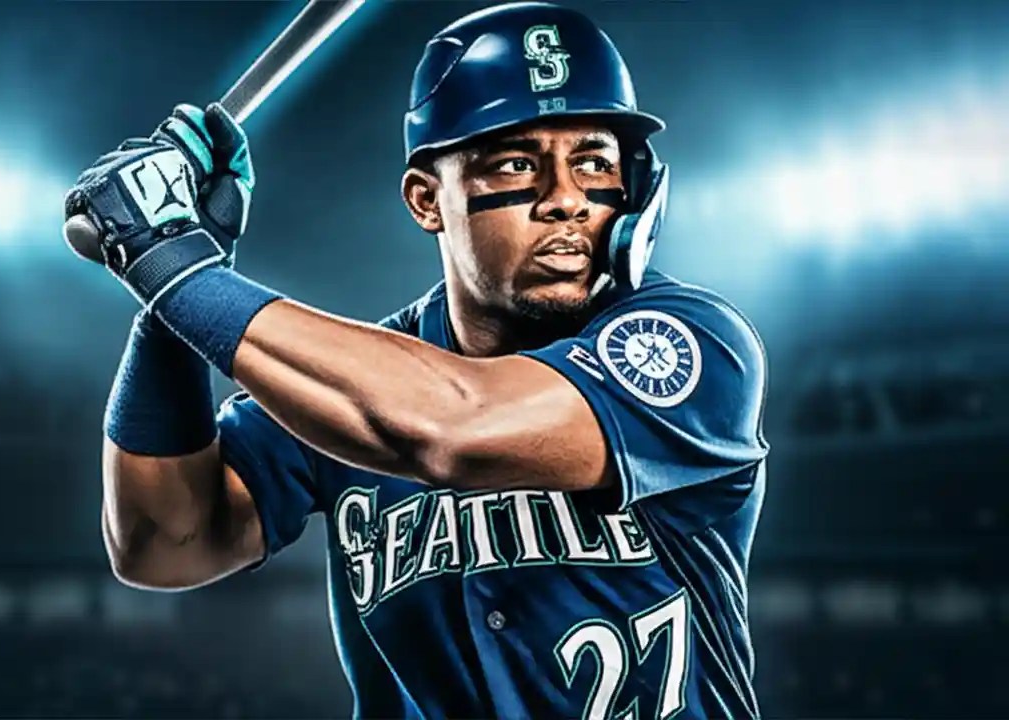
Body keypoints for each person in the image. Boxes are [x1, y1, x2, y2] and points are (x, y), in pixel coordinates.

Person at [63, 2, 768, 717]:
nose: (567, 200)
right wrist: (169, 306)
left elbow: (454, 425)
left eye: (594, 161)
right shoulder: (365, 384)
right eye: (517, 163)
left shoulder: (689, 345)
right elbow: (164, 541)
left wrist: (176, 266)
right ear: (427, 199)